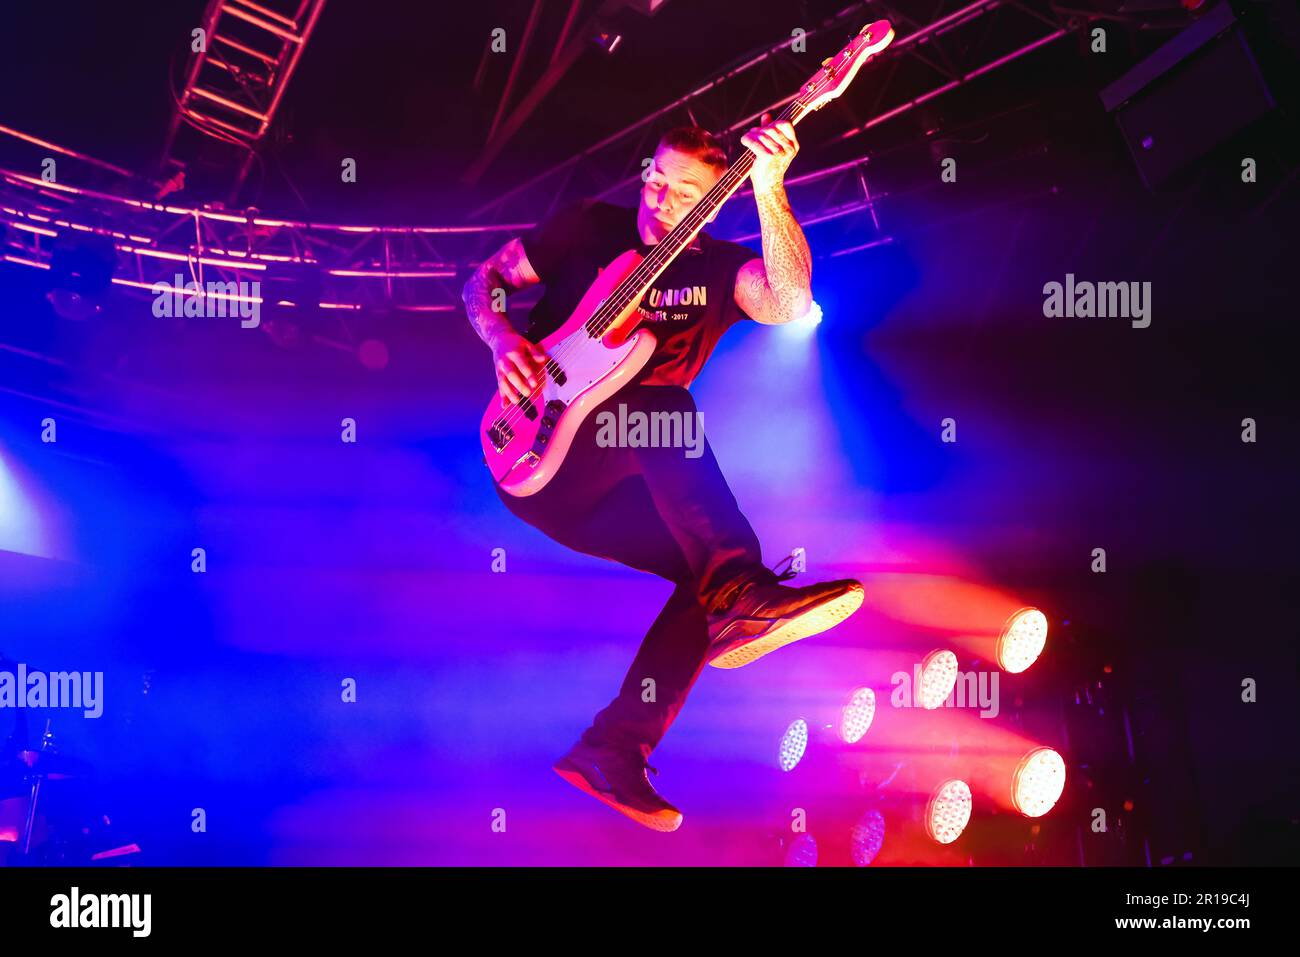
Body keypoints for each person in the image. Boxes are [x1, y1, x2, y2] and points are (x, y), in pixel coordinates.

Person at [462, 115, 863, 831]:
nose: (659, 199)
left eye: (683, 192)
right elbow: (485, 277)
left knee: (700, 579)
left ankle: (612, 747)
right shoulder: (588, 228)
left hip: (612, 488)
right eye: (653, 178)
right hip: (538, 447)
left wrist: (770, 187)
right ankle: (742, 590)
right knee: (659, 402)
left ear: (713, 202)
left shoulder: (716, 270)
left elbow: (792, 303)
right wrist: (500, 336)